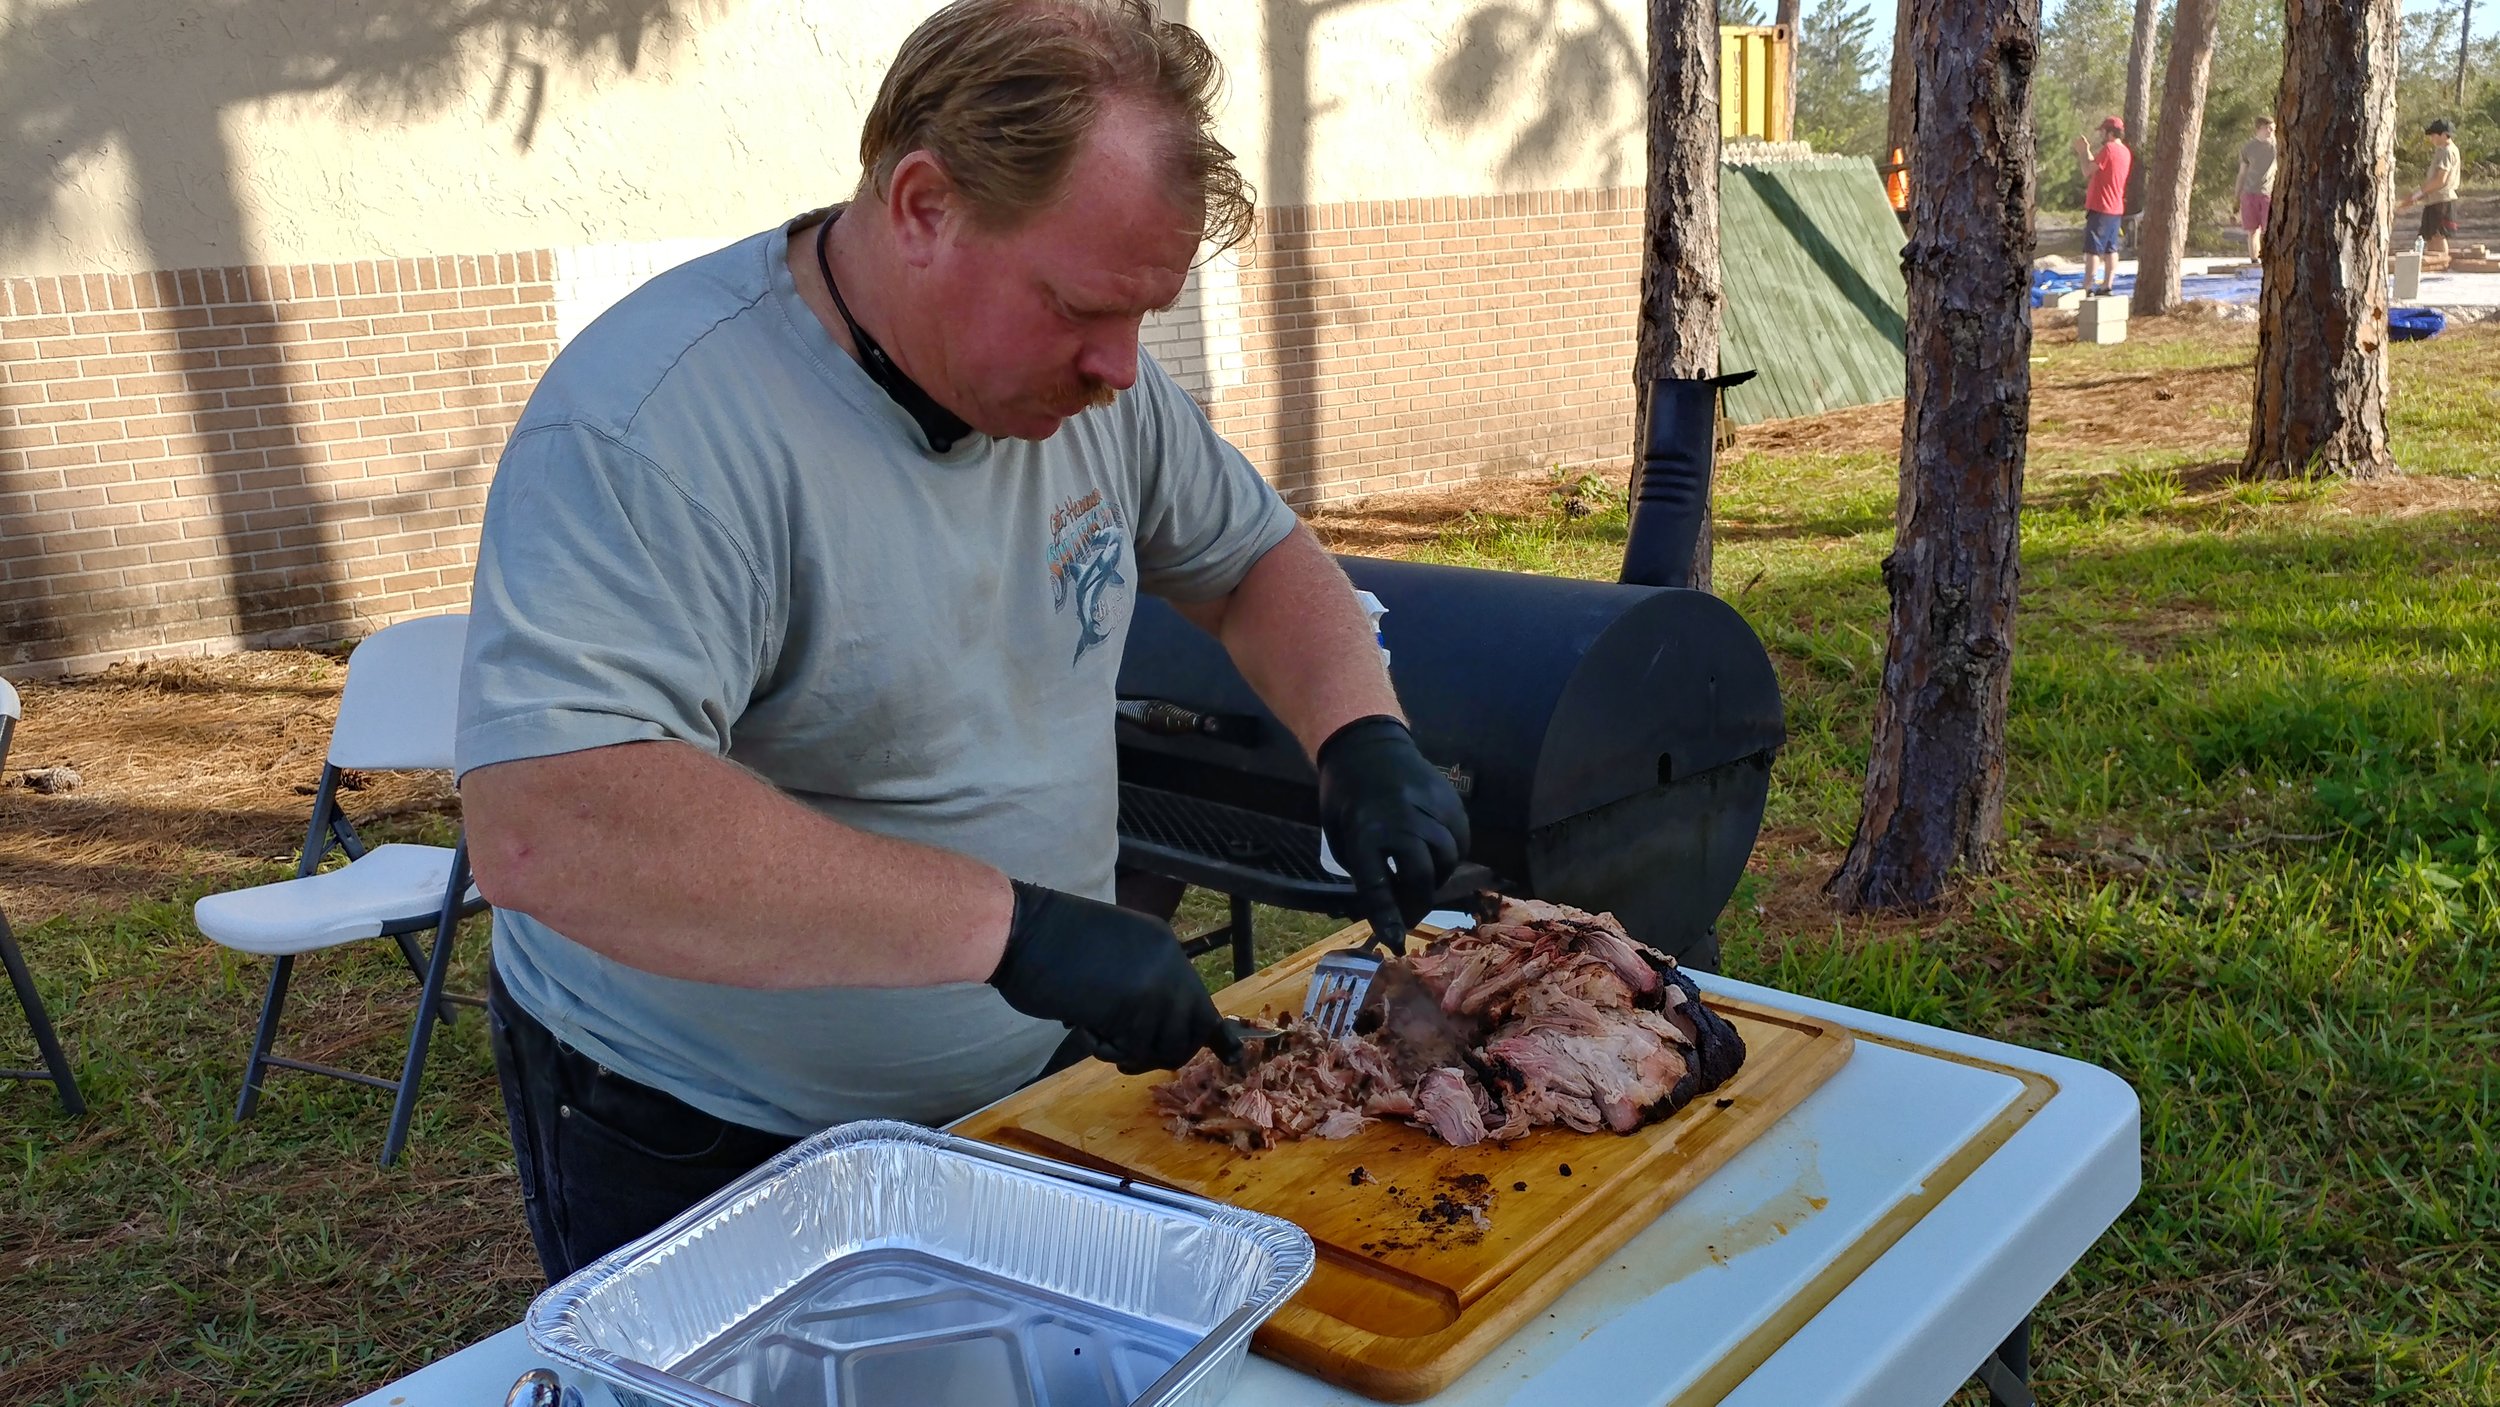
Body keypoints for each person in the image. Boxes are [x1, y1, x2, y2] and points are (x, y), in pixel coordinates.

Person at [453, 0, 1470, 1283]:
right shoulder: (656, 424)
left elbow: (1255, 561)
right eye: (1081, 306)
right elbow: (559, 823)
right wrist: (1012, 931)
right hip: (708, 1130)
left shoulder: (1101, 389)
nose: (1121, 367)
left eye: (1146, 315)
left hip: (1026, 1082)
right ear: (925, 206)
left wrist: (1361, 733)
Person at [2073, 116, 2132, 297]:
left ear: (2109, 133)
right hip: (2115, 207)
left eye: (2103, 132)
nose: (2101, 135)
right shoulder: (2125, 152)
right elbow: (2097, 167)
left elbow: (2087, 171)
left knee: (2093, 250)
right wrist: (2089, 151)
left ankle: (2088, 287)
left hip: (2100, 206)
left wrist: (2082, 152)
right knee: (2110, 248)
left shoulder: (2109, 149)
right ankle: (2107, 285)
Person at [2398, 118, 2464, 262]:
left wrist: (2418, 194)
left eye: (2434, 135)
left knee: (2438, 235)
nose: (2432, 138)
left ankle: (2442, 265)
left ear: (2444, 135)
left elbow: (2441, 180)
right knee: (2430, 236)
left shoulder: (2447, 151)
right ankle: (2435, 266)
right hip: (2434, 199)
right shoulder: (2443, 151)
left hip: (2442, 199)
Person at [2237, 115, 2277, 265]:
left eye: (2273, 129)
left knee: (2269, 229)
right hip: (2249, 193)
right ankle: (2254, 260)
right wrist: (2237, 195)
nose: (2271, 132)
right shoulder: (2248, 148)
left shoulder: (2277, 147)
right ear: (2260, 128)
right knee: (2252, 230)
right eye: (2269, 129)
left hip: (2268, 192)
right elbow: (2242, 173)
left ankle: (2270, 259)